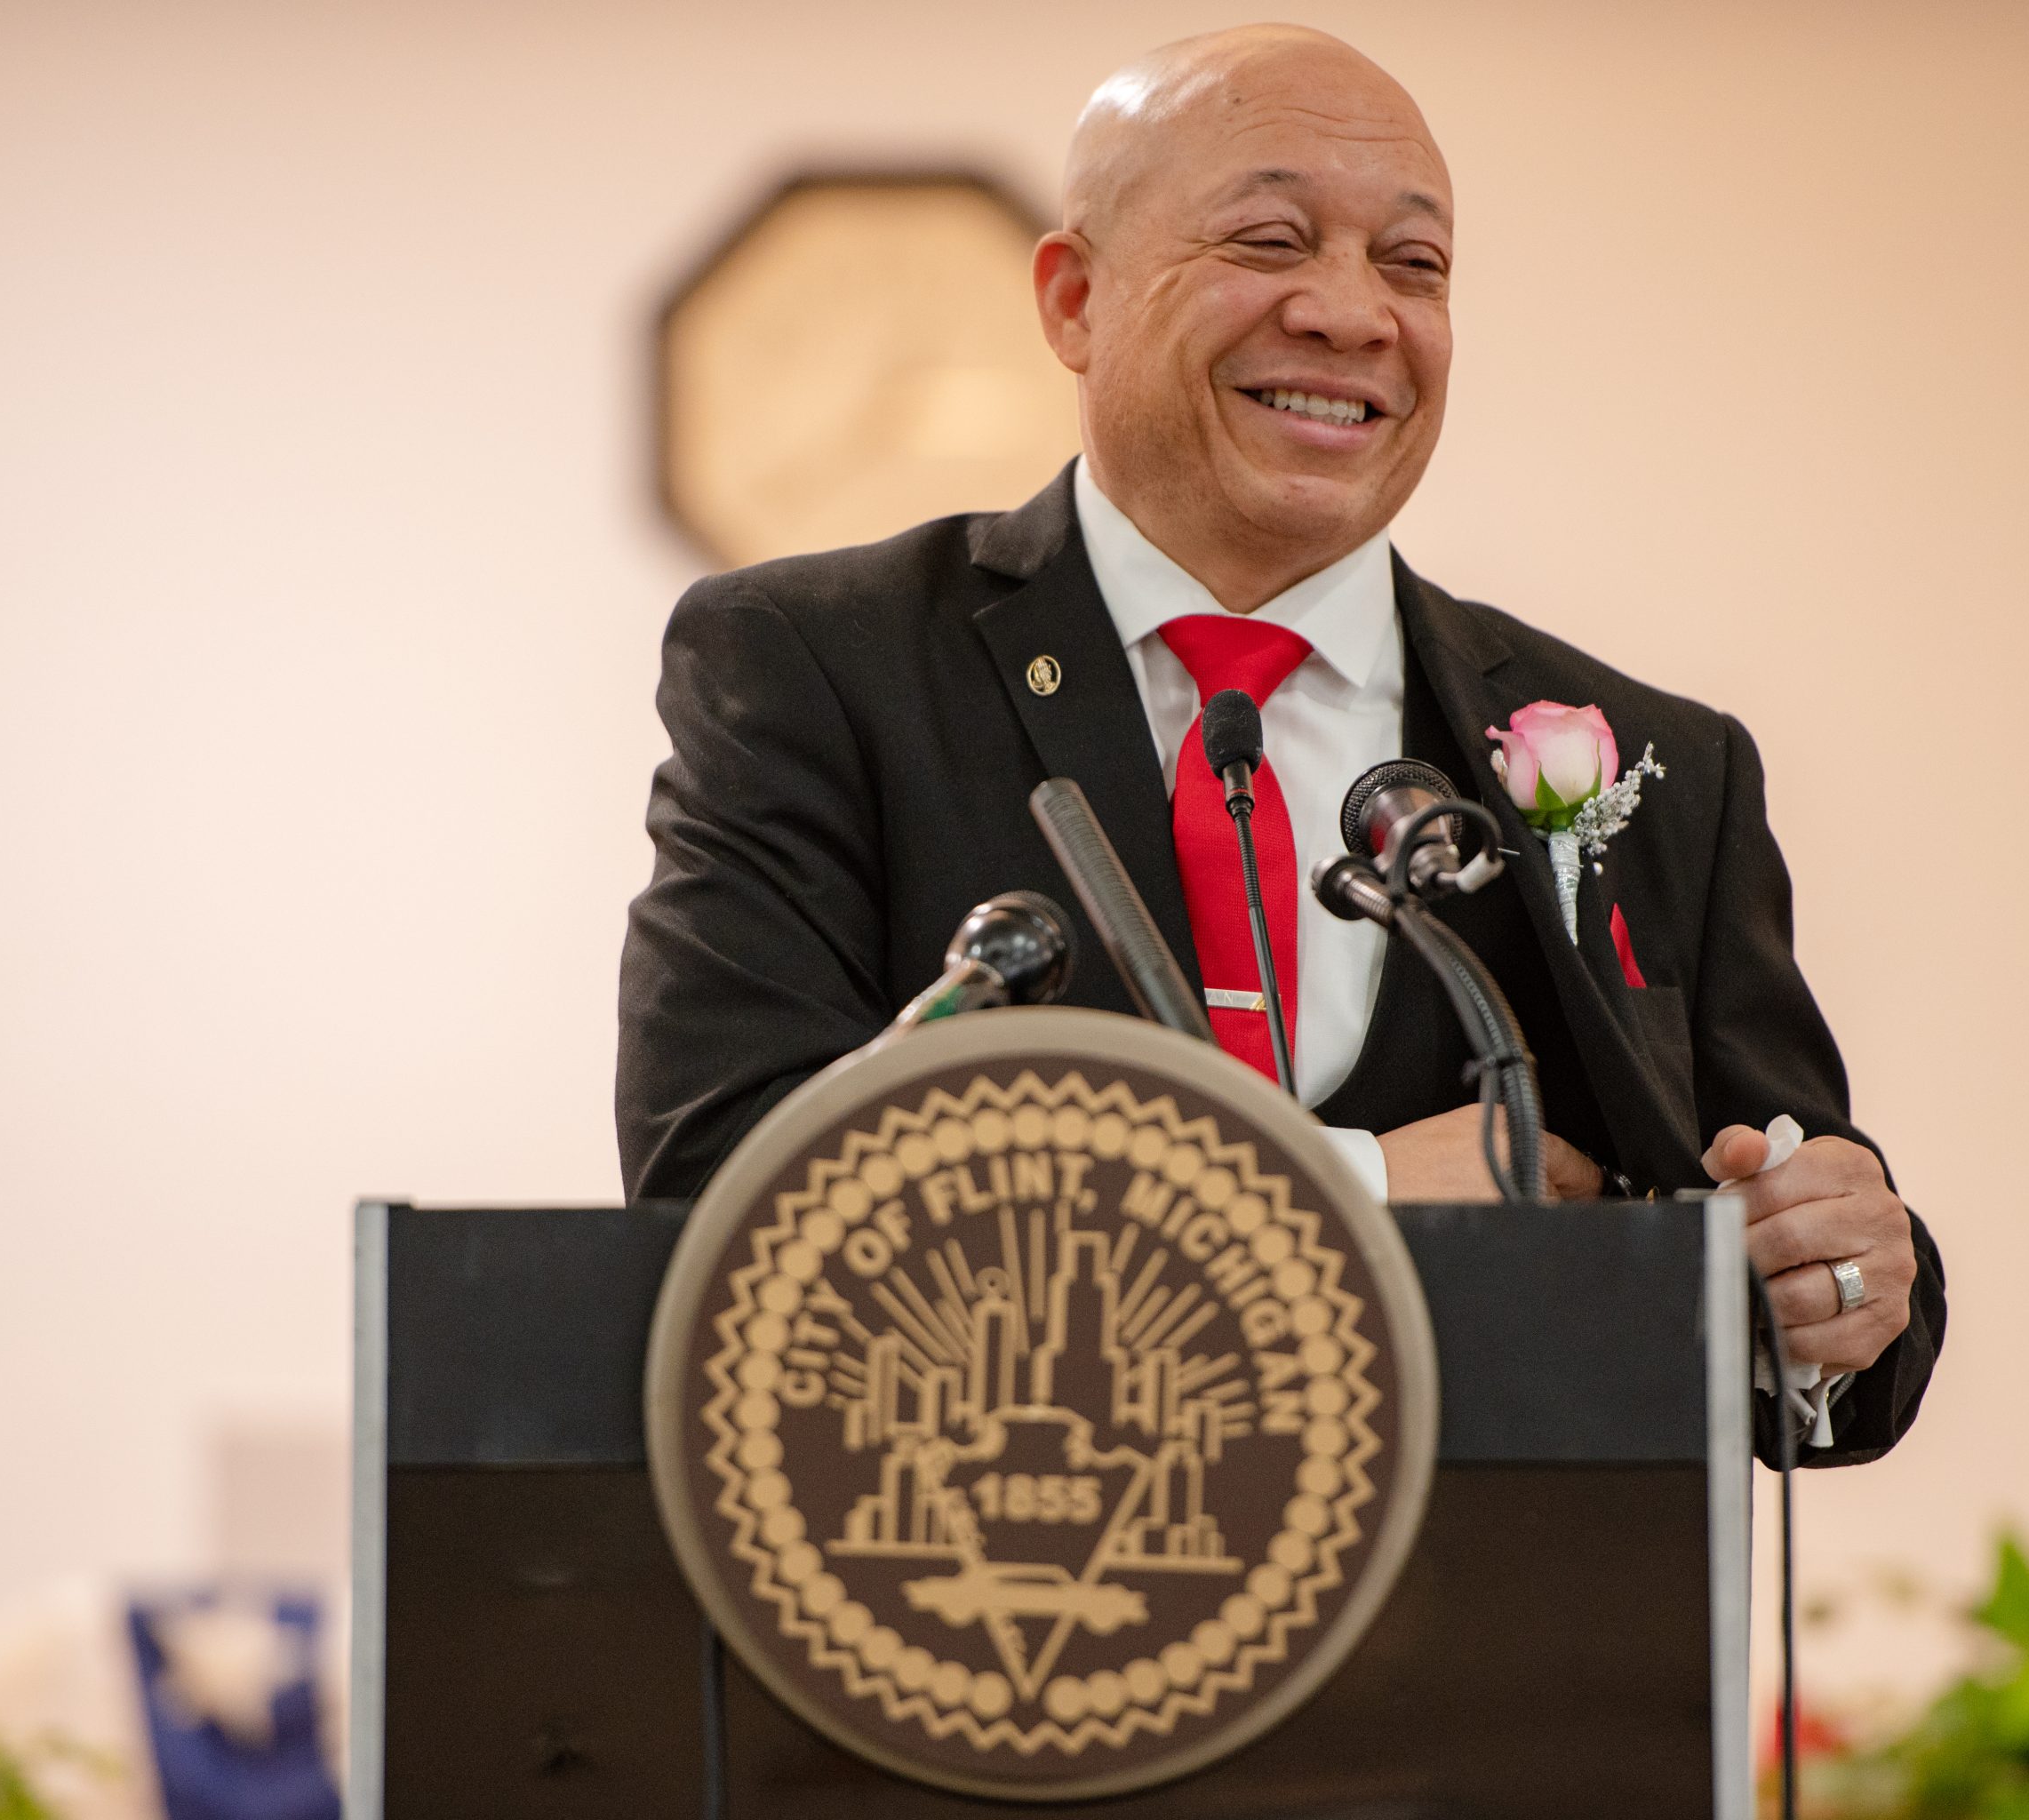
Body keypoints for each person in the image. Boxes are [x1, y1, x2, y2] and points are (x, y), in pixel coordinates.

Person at [617, 25, 1943, 1464]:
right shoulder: (821, 666)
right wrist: (1361, 1187)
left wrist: (1841, 1272)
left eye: (1414, 264)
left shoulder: (1645, 760)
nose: (1350, 313)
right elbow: (720, 1193)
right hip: (995, 1601)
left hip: (1517, 1642)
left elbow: (1798, 1281)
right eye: (1270, 240)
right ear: (1074, 300)